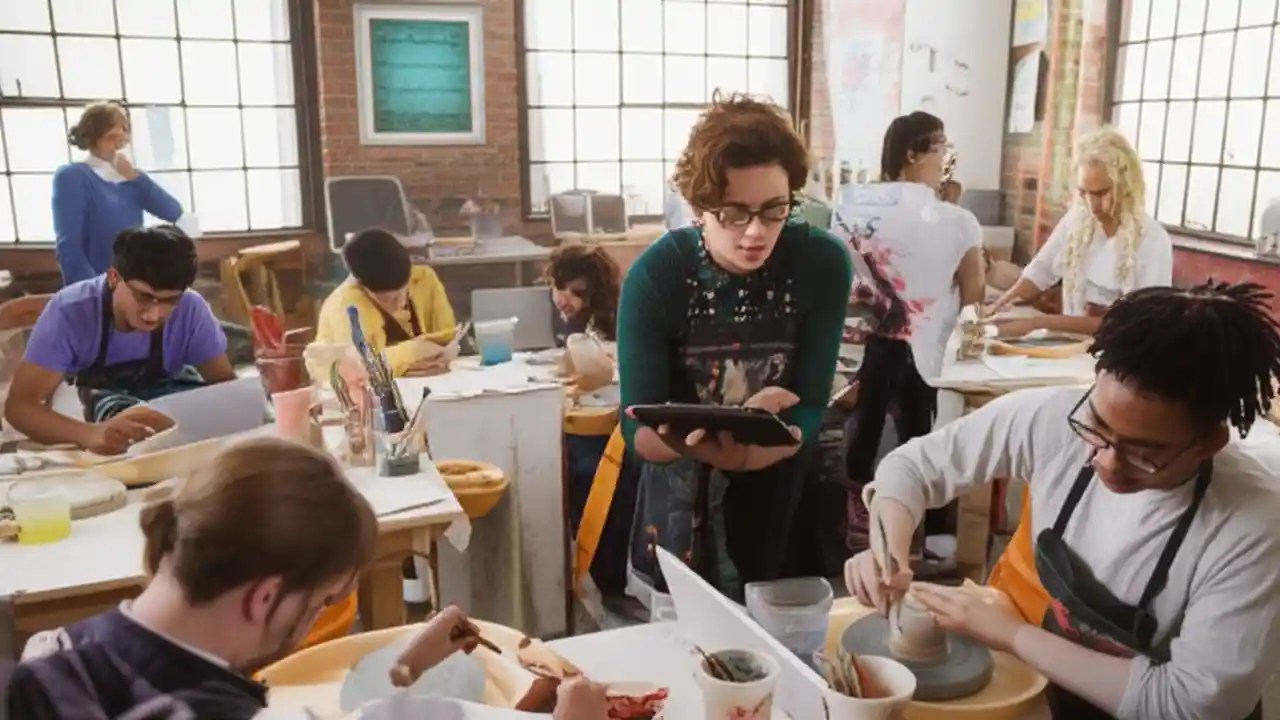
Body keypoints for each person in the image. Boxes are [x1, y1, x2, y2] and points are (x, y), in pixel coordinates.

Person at [845, 282, 1280, 719]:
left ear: (1209, 443)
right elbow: (912, 469)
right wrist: (888, 553)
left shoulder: (1253, 525)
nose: (1108, 462)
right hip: (1053, 679)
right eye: (1098, 426)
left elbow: (1187, 704)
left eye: (1144, 453)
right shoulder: (1053, 419)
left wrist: (1012, 636)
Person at [618, 92, 852, 602]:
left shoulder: (821, 264)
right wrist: (696, 445)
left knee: (785, 639)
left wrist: (761, 448)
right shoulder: (659, 275)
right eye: (733, 213)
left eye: (774, 210)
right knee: (689, 648)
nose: (755, 232)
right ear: (698, 206)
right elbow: (634, 421)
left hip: (783, 482)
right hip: (681, 490)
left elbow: (811, 400)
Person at [837, 111, 986, 553]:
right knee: (922, 439)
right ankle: (916, 538)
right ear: (913, 152)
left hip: (873, 342)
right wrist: (974, 360)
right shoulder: (957, 222)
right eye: (940, 148)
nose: (945, 159)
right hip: (931, 351)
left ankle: (860, 526)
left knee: (864, 434)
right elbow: (973, 299)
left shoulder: (851, 205)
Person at [3, 225, 233, 455]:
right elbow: (20, 408)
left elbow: (226, 388)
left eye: (169, 301)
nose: (152, 315)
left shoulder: (191, 308)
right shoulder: (69, 312)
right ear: (114, 277)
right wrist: (92, 434)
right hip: (96, 413)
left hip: (165, 407)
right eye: (144, 296)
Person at [986, 127, 1171, 336]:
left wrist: (1040, 323)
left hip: (1121, 351)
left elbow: (1141, 323)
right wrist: (999, 305)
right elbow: (1041, 270)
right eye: (1084, 193)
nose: (1093, 206)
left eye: (1101, 193)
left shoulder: (1151, 239)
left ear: (1126, 186)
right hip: (1070, 343)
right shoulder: (1076, 220)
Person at [54, 101, 198, 286]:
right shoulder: (73, 176)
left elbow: (173, 211)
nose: (118, 144)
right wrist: (90, 292)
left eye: (123, 136)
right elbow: (69, 247)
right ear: (92, 137)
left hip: (133, 286)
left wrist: (135, 177)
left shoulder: (131, 179)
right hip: (96, 285)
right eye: (111, 137)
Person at [313, 227, 456, 377]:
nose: (400, 304)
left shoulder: (423, 278)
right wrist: (414, 351)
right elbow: (363, 366)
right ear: (362, 286)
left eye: (404, 292)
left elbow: (446, 337)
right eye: (388, 299)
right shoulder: (346, 304)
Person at [546, 244, 621, 345]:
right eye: (560, 287)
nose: (563, 301)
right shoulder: (556, 306)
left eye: (578, 293)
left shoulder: (615, 319)